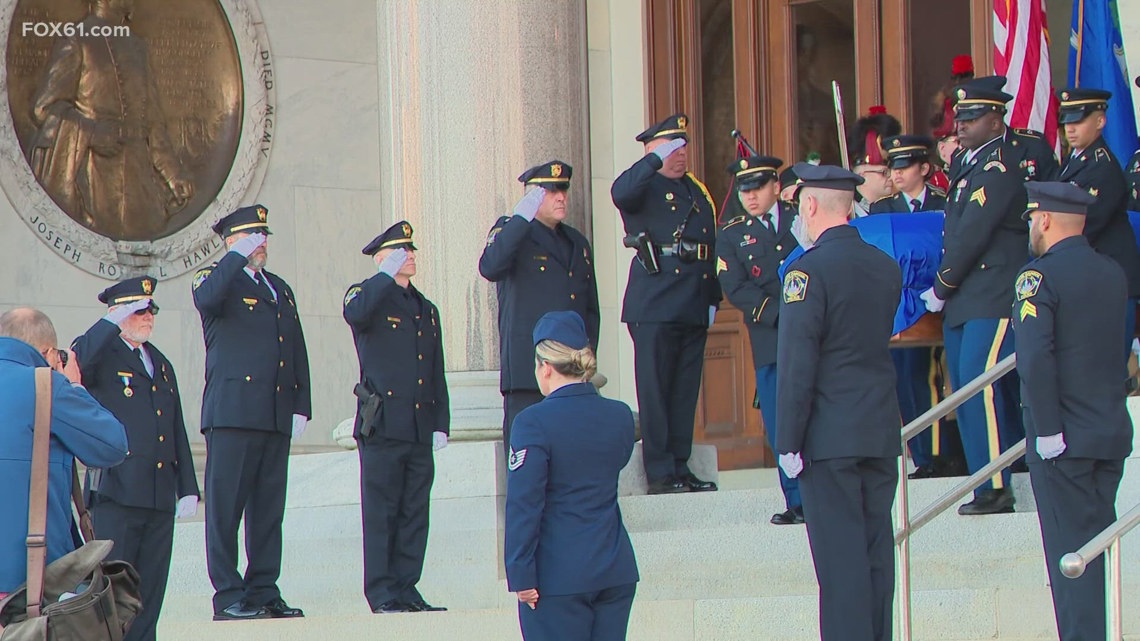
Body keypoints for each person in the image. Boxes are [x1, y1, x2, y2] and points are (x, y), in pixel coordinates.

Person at [775, 163, 903, 641]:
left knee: (840, 568)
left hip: (829, 438)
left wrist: (788, 440)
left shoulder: (805, 272)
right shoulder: (883, 266)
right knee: (875, 561)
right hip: (877, 430)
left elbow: (797, 366)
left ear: (810, 206)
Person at [1015, 181, 1133, 641]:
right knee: (1093, 553)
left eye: (1031, 218)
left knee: (1071, 560)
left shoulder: (1037, 277)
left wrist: (1047, 429)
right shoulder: (1111, 271)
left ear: (1044, 219)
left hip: (1063, 439)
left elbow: (1036, 358)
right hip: (1108, 434)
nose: (1030, 225)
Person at [922, 77, 1037, 515]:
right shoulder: (970, 163)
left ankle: (995, 485)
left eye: (971, 118)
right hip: (967, 298)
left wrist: (940, 286)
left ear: (996, 119)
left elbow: (973, 234)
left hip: (991, 294)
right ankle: (982, 479)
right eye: (959, 117)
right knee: (965, 390)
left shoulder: (1000, 165)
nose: (962, 125)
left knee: (979, 386)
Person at [191, 204, 311, 621]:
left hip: (274, 414)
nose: (260, 244)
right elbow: (206, 299)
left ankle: (263, 588)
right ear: (231, 242)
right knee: (225, 509)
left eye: (262, 236)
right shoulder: (215, 278)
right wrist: (235, 256)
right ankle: (228, 594)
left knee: (267, 511)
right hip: (233, 415)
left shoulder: (278, 287)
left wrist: (301, 403)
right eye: (250, 237)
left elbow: (295, 348)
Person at [70, 277, 200, 641]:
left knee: (149, 593)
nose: (148, 318)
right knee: (110, 593)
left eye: (150, 310)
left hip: (157, 495)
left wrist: (187, 486)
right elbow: (78, 357)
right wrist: (111, 322)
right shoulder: (102, 356)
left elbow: (175, 428)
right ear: (119, 314)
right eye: (138, 311)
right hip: (118, 494)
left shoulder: (160, 362)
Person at [505, 311, 639, 641]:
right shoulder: (620, 416)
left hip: (557, 577)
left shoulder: (532, 423)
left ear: (544, 366)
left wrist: (520, 572)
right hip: (613, 568)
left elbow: (525, 504)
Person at [343, 221, 450, 614]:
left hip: (419, 425)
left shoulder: (426, 308)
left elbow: (434, 369)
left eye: (412, 250)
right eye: (402, 251)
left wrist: (442, 422)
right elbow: (355, 312)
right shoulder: (368, 297)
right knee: (382, 510)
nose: (411, 256)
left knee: (414, 512)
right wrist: (383, 276)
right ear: (383, 258)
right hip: (383, 425)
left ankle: (407, 586)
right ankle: (382, 590)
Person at [611, 113, 719, 495]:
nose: (680, 153)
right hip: (654, 305)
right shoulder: (643, 187)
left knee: (684, 392)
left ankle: (680, 465)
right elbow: (620, 191)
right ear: (651, 152)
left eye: (683, 145)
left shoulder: (697, 191)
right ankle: (660, 472)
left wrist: (713, 298)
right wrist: (653, 161)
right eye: (671, 147)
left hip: (692, 303)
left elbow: (709, 246)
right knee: (656, 391)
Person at [28, 0, 193, 240]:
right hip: (94, 181)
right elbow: (43, 108)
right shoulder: (78, 39)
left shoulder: (137, 47)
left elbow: (154, 123)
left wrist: (172, 174)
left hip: (140, 185)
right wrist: (92, 133)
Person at [0, 308, 128, 594]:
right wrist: (74, 386)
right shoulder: (45, 385)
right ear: (49, 354)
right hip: (27, 578)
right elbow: (112, 445)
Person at [479, 161, 600, 449]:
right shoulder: (513, 233)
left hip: (570, 372)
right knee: (529, 455)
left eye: (564, 190)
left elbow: (590, 309)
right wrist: (521, 218)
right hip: (529, 372)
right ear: (532, 197)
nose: (561, 197)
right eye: (550, 191)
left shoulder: (576, 242)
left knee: (570, 456)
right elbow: (490, 266)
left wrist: (586, 356)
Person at [715, 155, 803, 524]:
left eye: (757, 188)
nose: (750, 196)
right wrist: (778, 311)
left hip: (812, 332)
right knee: (781, 419)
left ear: (776, 188)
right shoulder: (732, 233)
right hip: (770, 337)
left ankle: (823, 494)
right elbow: (735, 287)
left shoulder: (801, 218)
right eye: (744, 190)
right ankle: (797, 500)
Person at [870, 135, 959, 479]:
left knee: (934, 379)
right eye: (894, 166)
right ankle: (922, 454)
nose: (898, 173)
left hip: (935, 305)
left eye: (905, 166)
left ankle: (940, 453)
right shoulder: (882, 209)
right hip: (897, 311)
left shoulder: (943, 201)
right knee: (905, 380)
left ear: (924, 168)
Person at [1055, 87, 1140, 359]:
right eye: (1066, 120)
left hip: (1109, 285)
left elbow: (1083, 227)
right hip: (1088, 281)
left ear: (1100, 122)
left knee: (1105, 374)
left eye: (1078, 120)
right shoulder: (1073, 162)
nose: (1070, 128)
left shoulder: (1102, 167)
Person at [848, 106, 901, 217]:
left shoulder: (898, 209)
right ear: (861, 174)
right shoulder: (847, 211)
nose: (891, 177)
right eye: (884, 172)